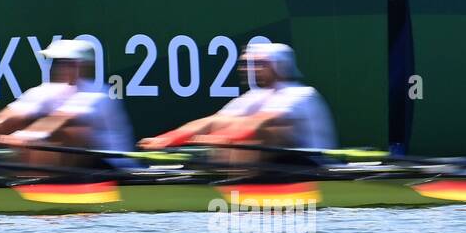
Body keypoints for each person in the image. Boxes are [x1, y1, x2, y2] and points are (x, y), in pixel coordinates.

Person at [0, 38, 133, 172]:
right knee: (19, 120)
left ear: (79, 66)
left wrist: (24, 138)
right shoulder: (47, 90)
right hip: (72, 165)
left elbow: (61, 118)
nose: (56, 67)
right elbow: (6, 116)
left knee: (73, 131)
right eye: (54, 62)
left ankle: (32, 181)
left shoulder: (97, 94)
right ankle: (18, 180)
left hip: (110, 166)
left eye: (61, 62)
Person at [138, 42, 336, 155]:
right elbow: (212, 121)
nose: (251, 69)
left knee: (268, 131)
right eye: (250, 64)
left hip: (312, 165)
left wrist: (219, 139)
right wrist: (165, 139)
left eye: (260, 64)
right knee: (224, 122)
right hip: (280, 166)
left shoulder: (299, 94)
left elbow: (259, 123)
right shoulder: (256, 96)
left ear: (279, 67)